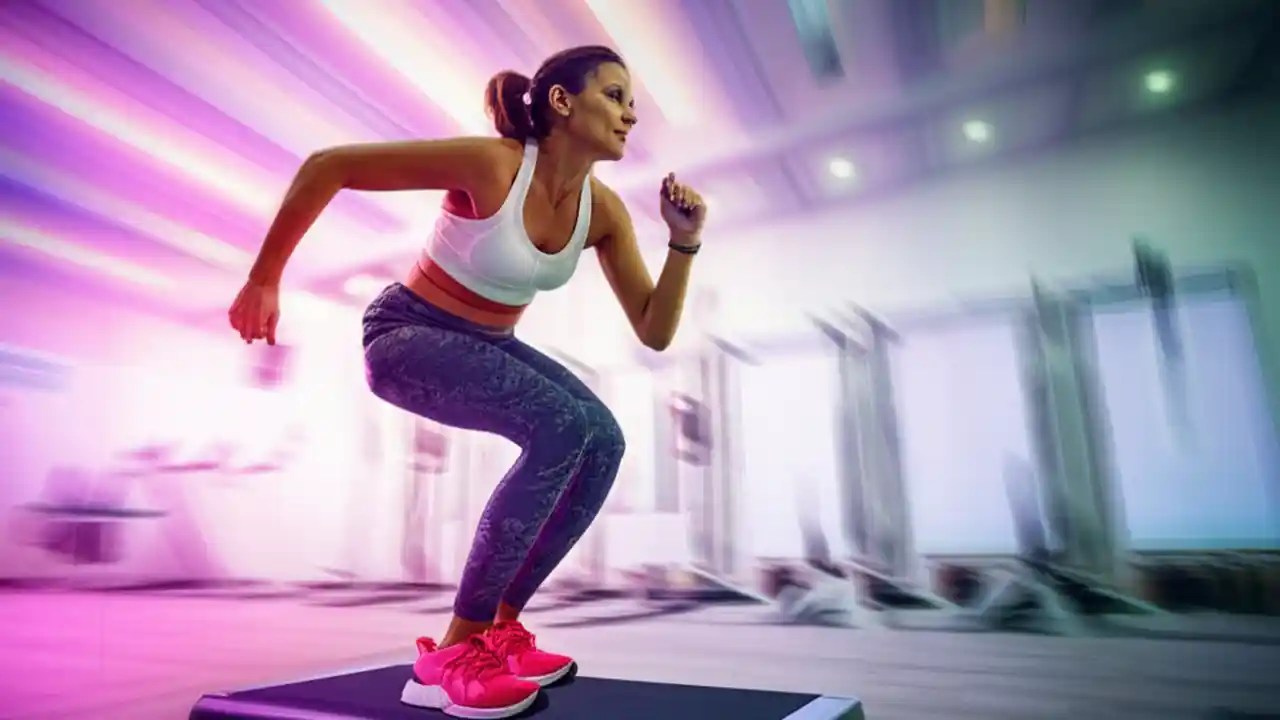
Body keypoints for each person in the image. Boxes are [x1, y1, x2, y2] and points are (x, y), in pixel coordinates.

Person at [227, 45, 706, 718]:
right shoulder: (494, 164)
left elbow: (654, 329)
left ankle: (502, 631)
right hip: (404, 336)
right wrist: (264, 276)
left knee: (604, 440)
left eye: (631, 102)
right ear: (563, 102)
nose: (631, 114)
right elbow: (329, 167)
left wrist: (683, 242)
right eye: (615, 95)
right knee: (563, 426)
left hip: (489, 342)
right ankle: (450, 653)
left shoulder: (603, 214)